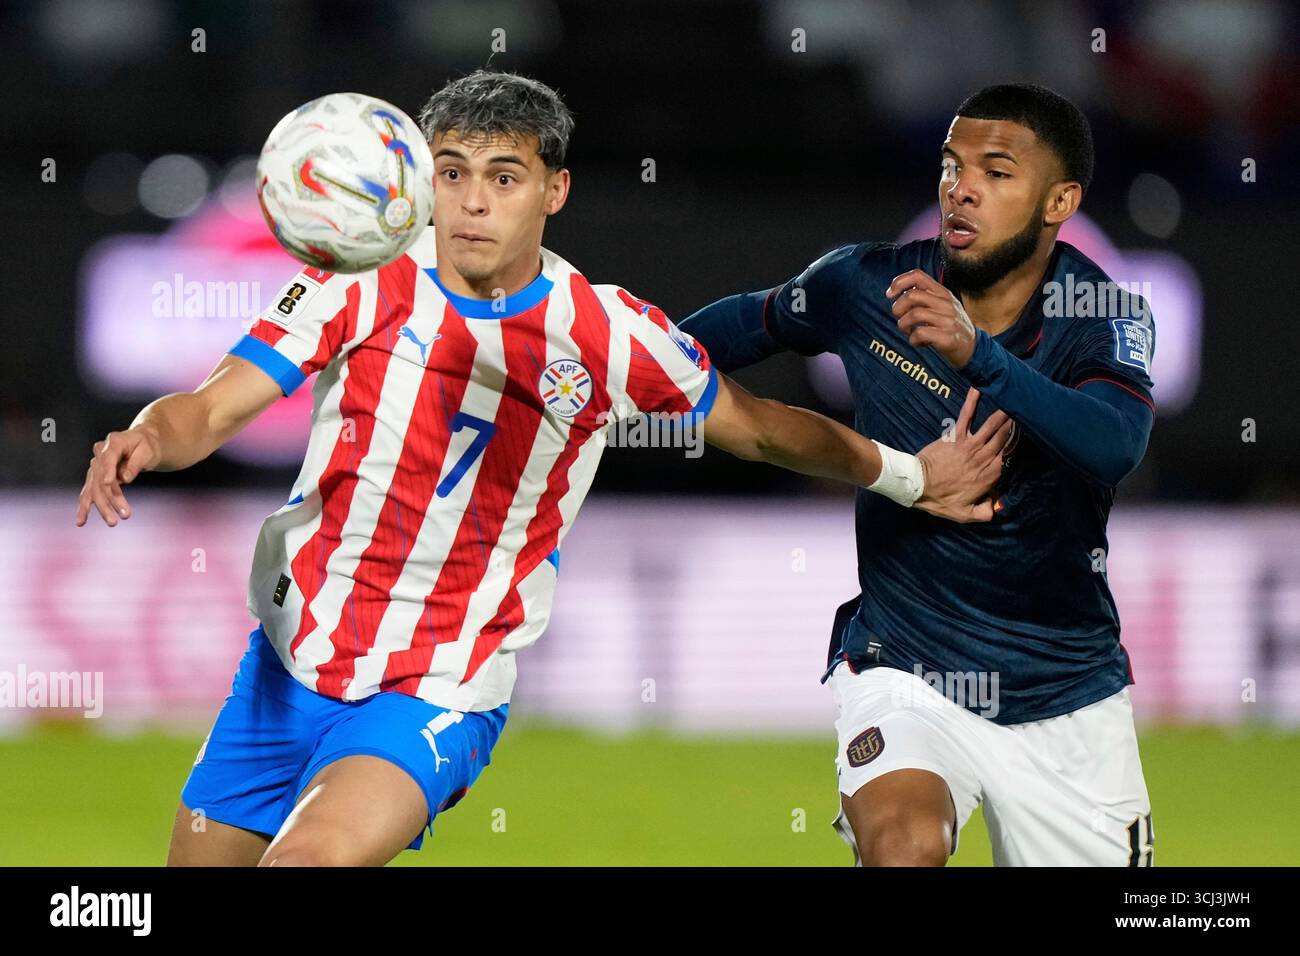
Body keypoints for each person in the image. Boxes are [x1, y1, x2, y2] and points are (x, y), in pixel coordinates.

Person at [75, 70, 1008, 867]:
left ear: (554, 190)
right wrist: (147, 440)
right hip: (285, 666)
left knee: (311, 860)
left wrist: (910, 475)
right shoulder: (358, 281)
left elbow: (762, 429)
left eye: (504, 177)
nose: (474, 203)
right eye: (453, 174)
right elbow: (214, 403)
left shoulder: (603, 330)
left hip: (438, 683)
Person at [680, 83, 1157, 866]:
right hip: (907, 668)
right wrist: (617, 363)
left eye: (997, 173)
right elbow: (729, 331)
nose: (960, 188)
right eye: (950, 165)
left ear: (1059, 200)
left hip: (1066, 697)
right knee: (904, 850)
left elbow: (1113, 444)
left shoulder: (1100, 312)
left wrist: (979, 356)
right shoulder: (867, 284)